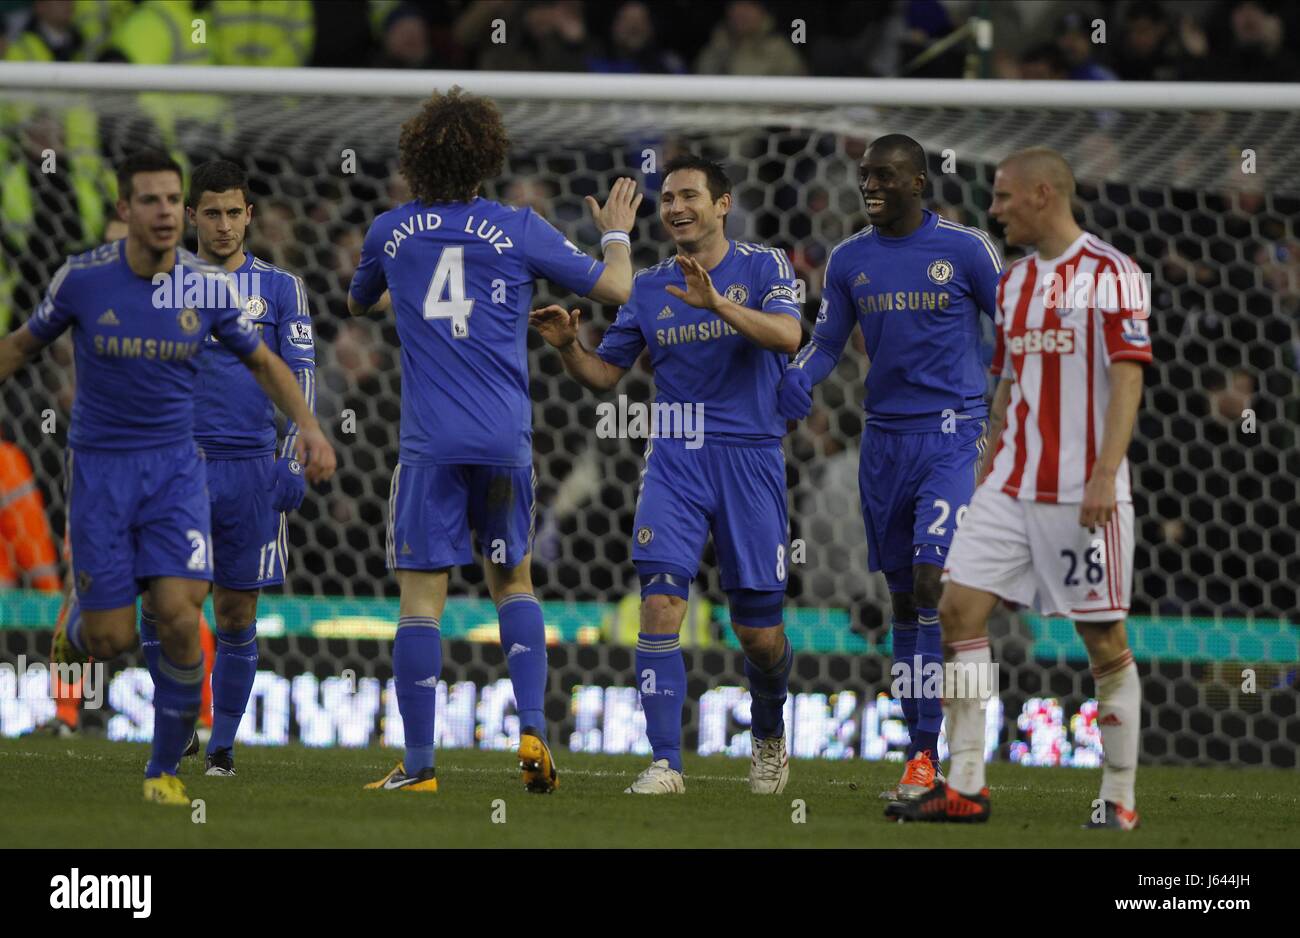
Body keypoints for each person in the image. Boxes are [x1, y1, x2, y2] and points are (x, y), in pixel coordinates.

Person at [0, 150, 334, 806]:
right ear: (132, 210)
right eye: (198, 210)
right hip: (117, 470)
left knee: (201, 610)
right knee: (114, 634)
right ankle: (79, 633)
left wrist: (305, 439)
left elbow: (274, 365)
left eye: (232, 212)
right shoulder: (88, 280)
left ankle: (192, 757)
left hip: (218, 470)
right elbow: (20, 345)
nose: (220, 225)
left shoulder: (235, 290)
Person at [347, 88, 635, 794]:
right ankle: (533, 727)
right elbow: (620, 289)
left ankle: (418, 769)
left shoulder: (390, 230)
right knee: (513, 581)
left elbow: (360, 299)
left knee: (422, 601)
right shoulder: (522, 227)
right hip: (505, 442)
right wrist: (617, 232)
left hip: (430, 445)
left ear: (415, 160)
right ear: (487, 158)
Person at [532, 154, 802, 795]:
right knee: (659, 605)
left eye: (689, 196)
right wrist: (570, 346)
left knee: (759, 635)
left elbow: (789, 336)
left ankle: (768, 736)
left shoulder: (765, 266)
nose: (676, 207)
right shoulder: (648, 286)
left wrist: (719, 304)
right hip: (675, 459)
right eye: (668, 198)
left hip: (750, 458)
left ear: (723, 203)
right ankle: (665, 763)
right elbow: (605, 376)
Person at [898, 147, 1150, 829]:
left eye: (1005, 197)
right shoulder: (1011, 285)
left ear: (1043, 194)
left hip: (1081, 491)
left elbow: (1129, 376)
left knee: (1102, 639)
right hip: (1011, 484)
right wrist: (989, 461)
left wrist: (1104, 474)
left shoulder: (1113, 274)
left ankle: (1119, 795)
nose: (995, 209)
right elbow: (1009, 377)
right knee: (957, 611)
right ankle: (967, 784)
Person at [776, 134, 1001, 803]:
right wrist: (800, 379)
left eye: (885, 176)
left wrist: (1009, 404)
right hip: (884, 443)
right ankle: (922, 757)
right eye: (865, 175)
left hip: (953, 436)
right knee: (903, 602)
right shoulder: (850, 260)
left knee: (935, 583)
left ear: (920, 182)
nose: (870, 185)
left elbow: (1014, 327)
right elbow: (826, 341)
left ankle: (964, 760)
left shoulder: (966, 250)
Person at [154, 159, 313, 777]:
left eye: (235, 213)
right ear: (192, 216)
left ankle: (221, 746)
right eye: (212, 214)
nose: (224, 226)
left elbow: (301, 373)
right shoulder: (161, 284)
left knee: (236, 612)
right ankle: (177, 724)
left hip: (250, 468)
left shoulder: (280, 288)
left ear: (250, 215)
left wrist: (294, 450)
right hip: (178, 467)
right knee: (165, 607)